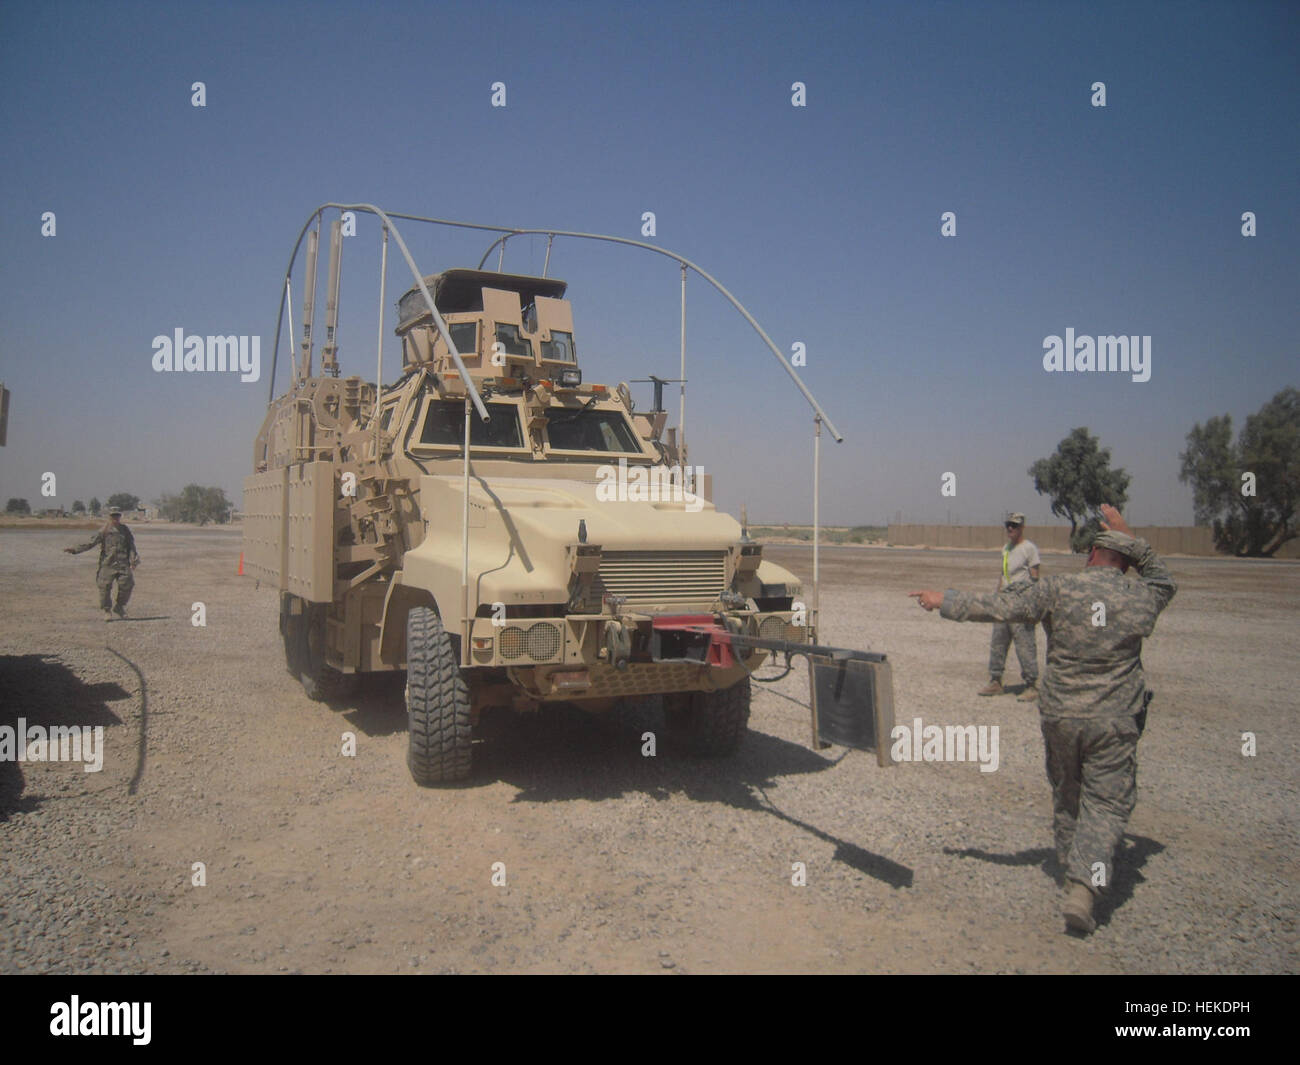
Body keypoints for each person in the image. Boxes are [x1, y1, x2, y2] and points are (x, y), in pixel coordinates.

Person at [908, 504, 1176, 934]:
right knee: (1106, 803)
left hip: (1061, 715)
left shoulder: (1059, 589)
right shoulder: (1142, 594)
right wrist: (1130, 537)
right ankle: (1084, 886)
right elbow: (1164, 578)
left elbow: (1000, 606)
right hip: (1114, 719)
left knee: (1068, 793)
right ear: (1125, 562)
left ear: (1090, 555)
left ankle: (1072, 868)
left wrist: (946, 600)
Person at [980, 512, 1041, 701]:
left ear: (1022, 527)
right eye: (1008, 525)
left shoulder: (1029, 549)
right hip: (1004, 603)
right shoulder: (1005, 549)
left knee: (1025, 645)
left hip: (1021, 604)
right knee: (998, 643)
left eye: (1014, 525)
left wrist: (1033, 604)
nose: (1010, 529)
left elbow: (1035, 577)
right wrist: (997, 598)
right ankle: (995, 681)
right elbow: (1003, 575)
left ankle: (1031, 685)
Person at [65, 509, 140, 620]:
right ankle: (107, 610)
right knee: (104, 588)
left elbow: (131, 546)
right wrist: (75, 550)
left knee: (128, 584)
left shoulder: (125, 530)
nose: (115, 518)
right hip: (108, 564)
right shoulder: (104, 530)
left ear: (120, 516)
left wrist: (133, 561)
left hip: (123, 564)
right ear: (110, 517)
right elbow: (91, 543)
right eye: (113, 516)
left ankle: (119, 607)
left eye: (117, 515)